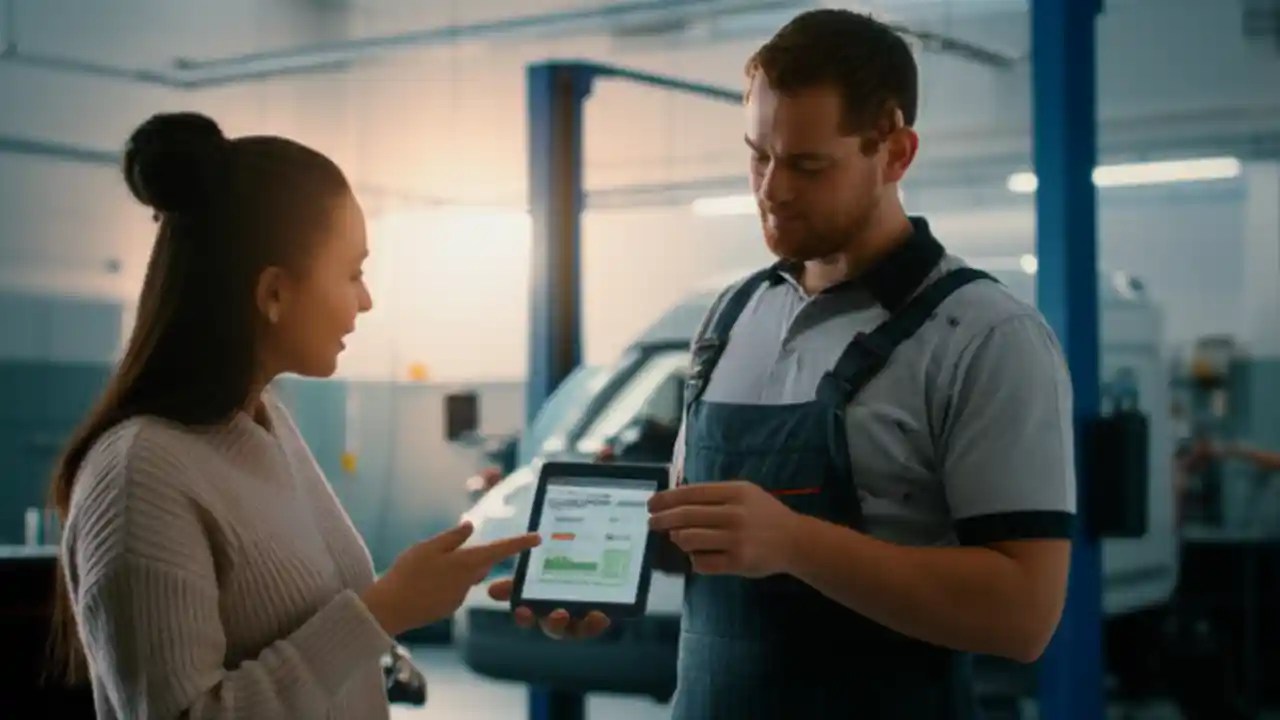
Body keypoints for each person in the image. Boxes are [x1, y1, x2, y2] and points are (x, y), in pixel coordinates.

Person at [489, 9, 1075, 718]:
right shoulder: (732, 318)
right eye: (758, 155)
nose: (771, 189)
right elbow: (714, 537)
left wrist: (796, 542)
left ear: (895, 154)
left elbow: (1023, 615)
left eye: (807, 164)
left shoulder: (984, 336)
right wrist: (609, 569)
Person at [48, 112, 540, 719]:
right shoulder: (140, 473)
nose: (366, 300)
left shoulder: (266, 424)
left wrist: (417, 593)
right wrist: (384, 609)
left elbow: (323, 638)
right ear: (274, 293)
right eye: (353, 273)